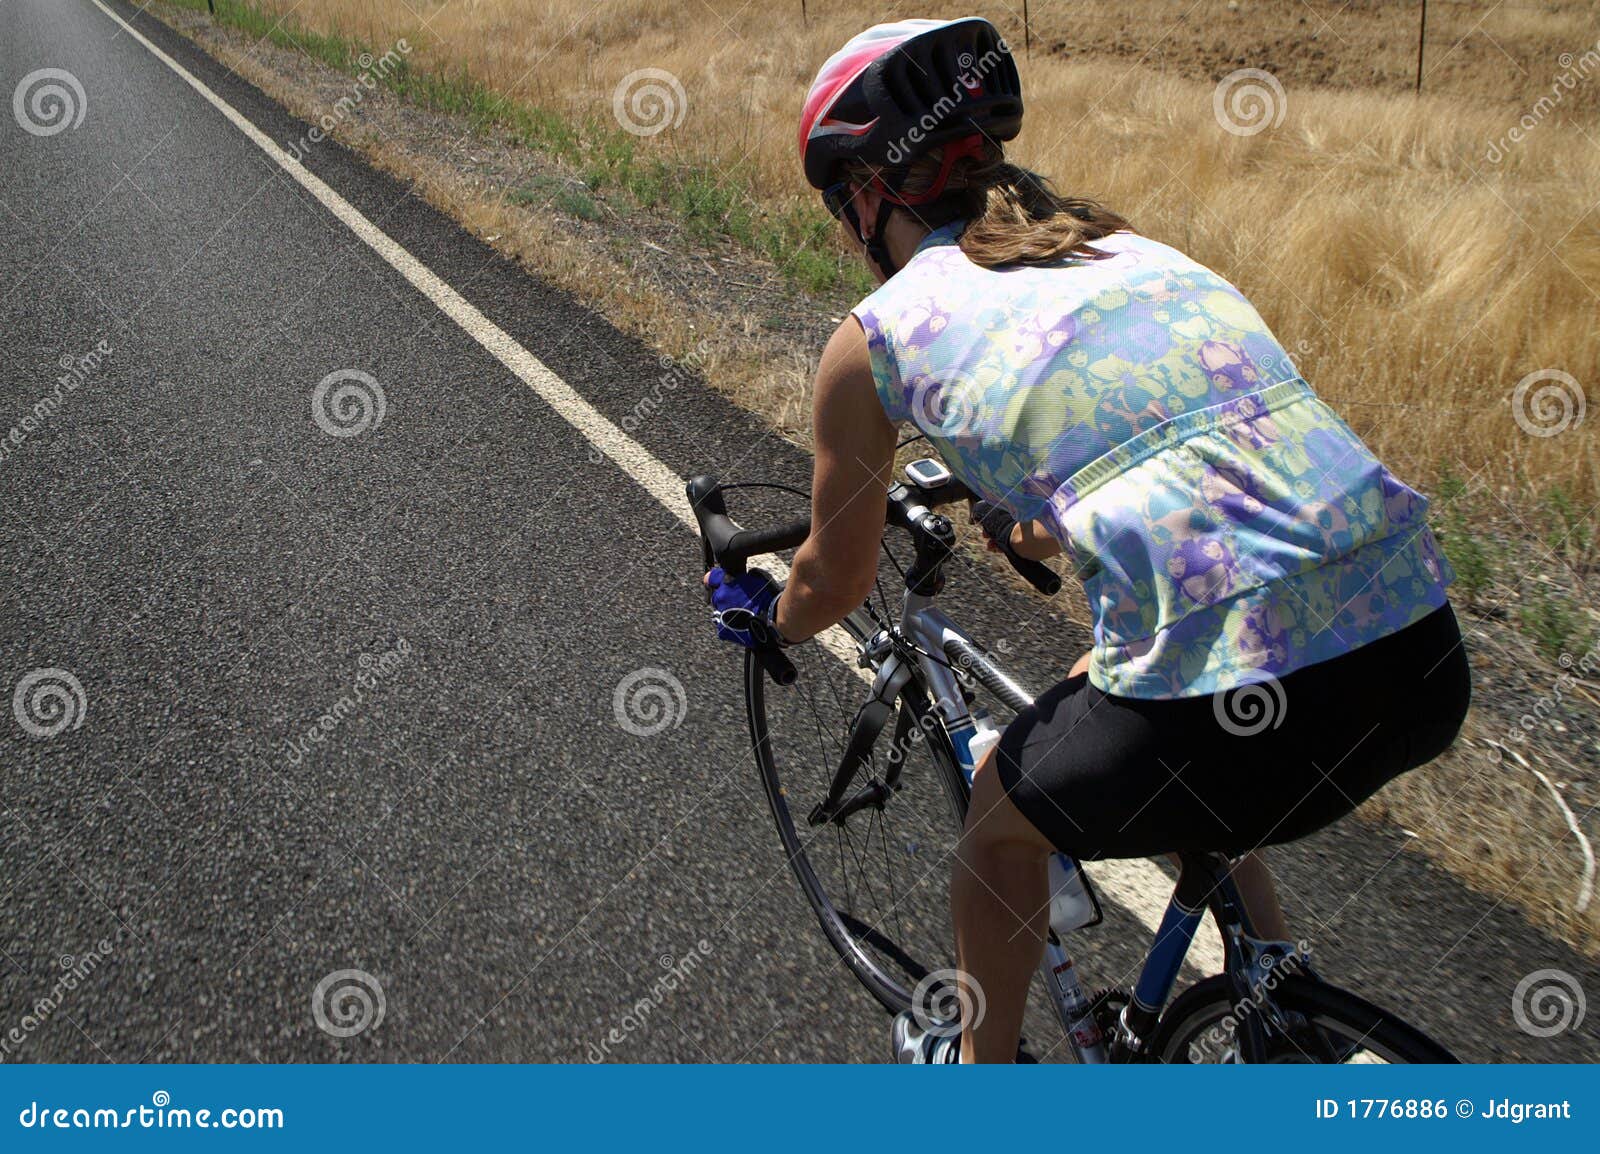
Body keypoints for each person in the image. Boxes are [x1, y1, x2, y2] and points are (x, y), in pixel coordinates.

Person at [705, 17, 1470, 1063]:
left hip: (1242, 706)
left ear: (874, 193)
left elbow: (832, 579)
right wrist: (1036, 515)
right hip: (1420, 655)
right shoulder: (1129, 250)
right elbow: (1190, 464)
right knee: (1134, 679)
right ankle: (1281, 1011)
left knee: (995, 823)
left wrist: (765, 618)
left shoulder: (874, 339)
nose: (848, 233)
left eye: (845, 208)